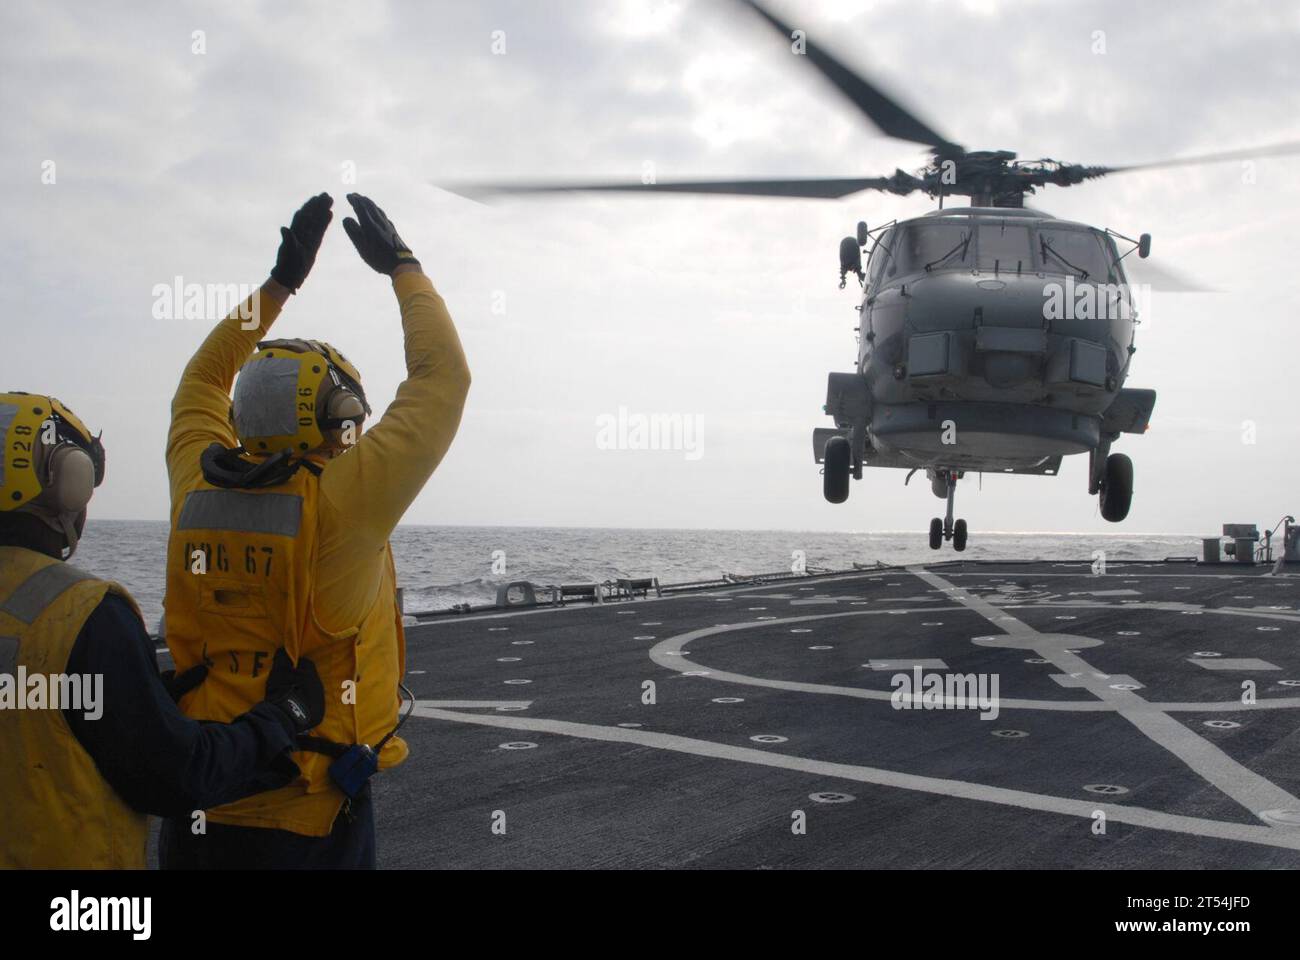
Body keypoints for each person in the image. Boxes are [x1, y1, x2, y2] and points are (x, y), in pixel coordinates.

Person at [159, 192, 471, 869]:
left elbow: (202, 380)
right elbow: (443, 377)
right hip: (306, 816)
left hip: (202, 800)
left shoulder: (196, 486)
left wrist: (277, 286)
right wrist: (404, 268)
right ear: (340, 415)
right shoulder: (344, 503)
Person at [0, 392, 326, 869]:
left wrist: (148, 699)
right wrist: (280, 720)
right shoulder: (81, 613)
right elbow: (177, 777)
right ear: (70, 480)